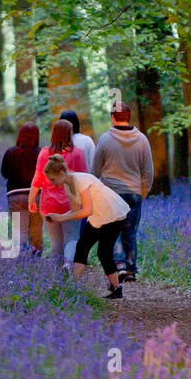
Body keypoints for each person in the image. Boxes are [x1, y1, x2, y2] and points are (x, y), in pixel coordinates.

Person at [42, 154, 130, 299]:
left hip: (113, 213)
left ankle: (115, 288)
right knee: (82, 246)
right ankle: (73, 287)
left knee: (104, 252)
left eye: (53, 179)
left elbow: (86, 211)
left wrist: (61, 217)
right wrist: (58, 217)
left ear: (61, 173)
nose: (52, 183)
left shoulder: (79, 181)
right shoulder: (68, 186)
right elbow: (76, 210)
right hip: (98, 216)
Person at [92, 101, 153, 282]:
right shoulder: (142, 139)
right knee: (130, 231)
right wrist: (143, 192)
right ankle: (131, 268)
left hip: (110, 193)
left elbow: (95, 169)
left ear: (113, 118)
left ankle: (119, 265)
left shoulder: (104, 139)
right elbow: (148, 171)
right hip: (134, 192)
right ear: (129, 117)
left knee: (112, 231)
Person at [29, 118, 88, 265]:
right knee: (72, 237)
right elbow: (83, 179)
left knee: (55, 241)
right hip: (71, 203)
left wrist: (31, 199)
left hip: (48, 204)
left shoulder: (44, 153)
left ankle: (57, 275)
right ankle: (68, 265)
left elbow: (37, 179)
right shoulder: (77, 153)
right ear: (70, 134)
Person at [0, 122, 43, 253]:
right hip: (36, 195)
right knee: (36, 229)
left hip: (15, 196)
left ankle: (21, 259)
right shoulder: (41, 153)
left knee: (20, 231)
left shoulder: (10, 152)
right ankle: (35, 259)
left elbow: (4, 173)